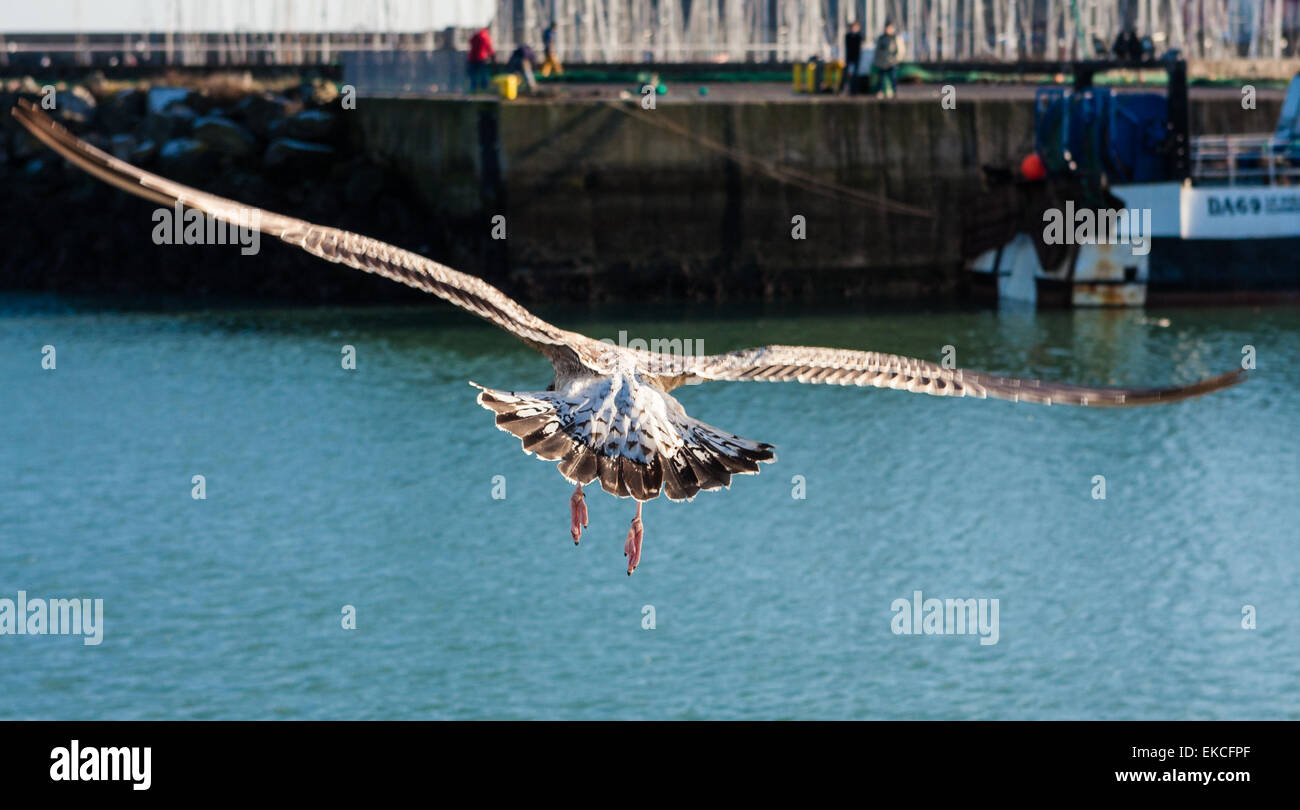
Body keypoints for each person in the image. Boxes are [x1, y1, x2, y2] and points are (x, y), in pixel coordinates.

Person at [872, 20, 901, 99]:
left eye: (889, 28)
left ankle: (895, 93)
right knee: (881, 80)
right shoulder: (881, 38)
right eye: (886, 27)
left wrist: (895, 61)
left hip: (892, 63)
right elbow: (877, 52)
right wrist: (876, 62)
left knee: (893, 79)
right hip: (882, 64)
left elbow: (900, 51)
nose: (887, 29)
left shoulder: (895, 38)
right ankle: (880, 93)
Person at [468, 27, 494, 93]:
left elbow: (470, 42)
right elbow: (489, 47)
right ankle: (484, 88)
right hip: (481, 57)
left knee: (473, 74)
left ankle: (473, 88)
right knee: (483, 73)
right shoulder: (485, 36)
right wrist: (492, 55)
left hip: (472, 58)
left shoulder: (475, 36)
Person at [842, 21, 864, 95]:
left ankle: (854, 90)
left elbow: (859, 46)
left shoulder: (858, 36)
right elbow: (848, 47)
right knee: (847, 74)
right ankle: (845, 89)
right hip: (849, 58)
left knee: (855, 75)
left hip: (856, 58)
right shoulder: (848, 36)